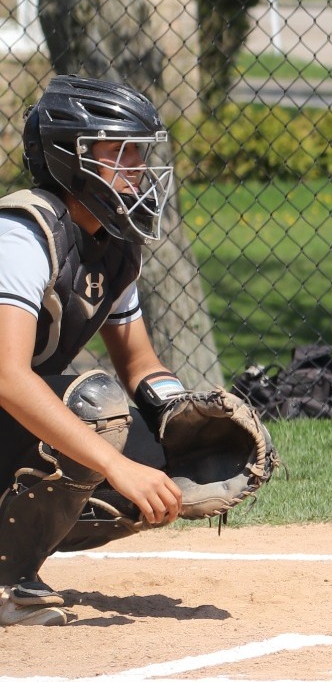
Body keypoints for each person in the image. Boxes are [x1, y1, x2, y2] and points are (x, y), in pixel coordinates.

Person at [0, 77, 187, 626]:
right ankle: (6, 582)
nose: (136, 166)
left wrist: (183, 420)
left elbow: (140, 364)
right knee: (96, 411)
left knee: (161, 456)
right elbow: (7, 376)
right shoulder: (23, 234)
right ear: (69, 157)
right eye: (117, 151)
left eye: (139, 152)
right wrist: (114, 466)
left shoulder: (112, 240)